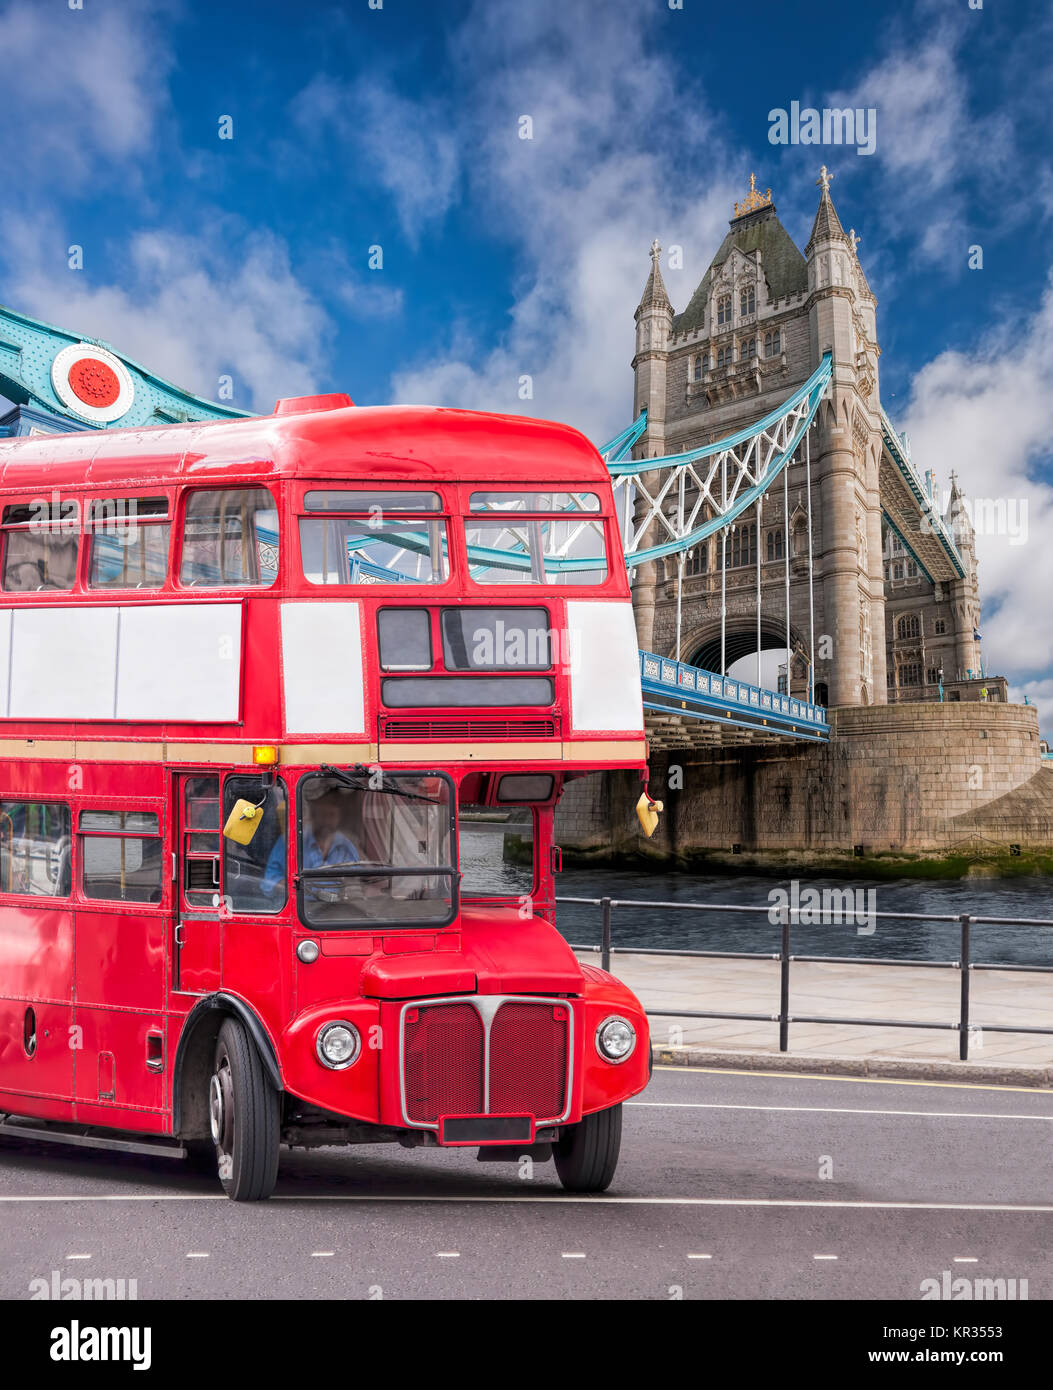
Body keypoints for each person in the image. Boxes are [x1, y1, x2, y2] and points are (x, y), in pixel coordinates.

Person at [261, 790, 359, 897]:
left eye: (331, 815)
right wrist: (284, 885)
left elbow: (355, 881)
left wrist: (351, 890)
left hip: (335, 909)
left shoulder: (346, 846)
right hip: (299, 908)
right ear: (313, 815)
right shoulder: (289, 840)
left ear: (339, 818)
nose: (327, 821)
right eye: (322, 814)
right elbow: (269, 881)